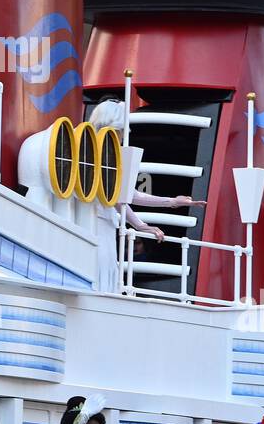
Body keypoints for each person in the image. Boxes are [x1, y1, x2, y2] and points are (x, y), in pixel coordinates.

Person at [87, 100, 206, 293]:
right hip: (96, 225)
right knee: (101, 271)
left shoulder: (101, 152)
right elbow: (119, 196)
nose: (127, 133)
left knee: (105, 272)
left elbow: (124, 194)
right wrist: (144, 223)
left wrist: (171, 203)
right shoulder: (98, 154)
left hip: (101, 223)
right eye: (124, 128)